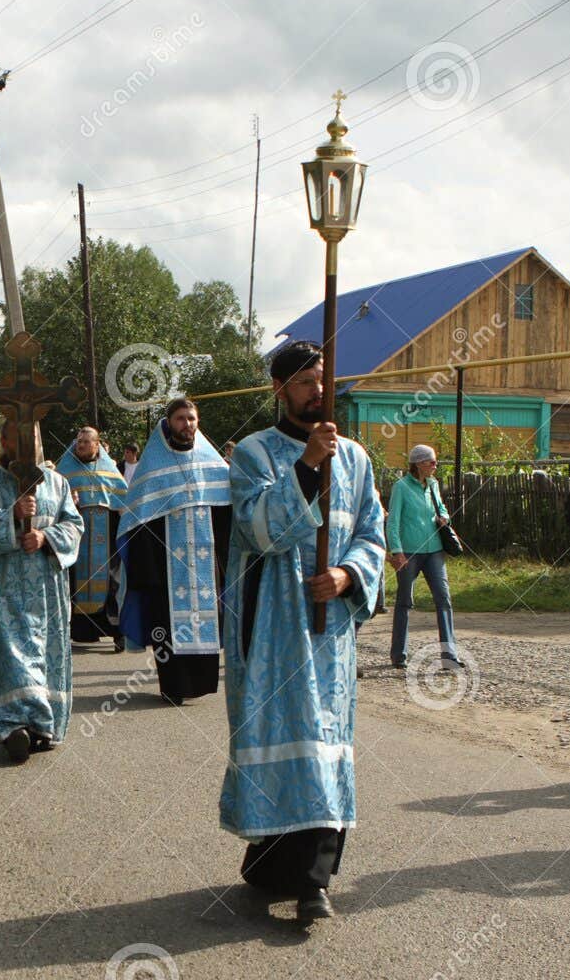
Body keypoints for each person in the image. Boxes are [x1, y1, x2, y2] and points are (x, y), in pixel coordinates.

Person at [221, 339, 386, 922]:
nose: (317, 390)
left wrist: (346, 573)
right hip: (272, 630)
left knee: (321, 743)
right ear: (279, 389)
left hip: (328, 630)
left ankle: (315, 881)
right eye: (304, 381)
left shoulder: (359, 458)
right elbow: (261, 530)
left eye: (323, 379)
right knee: (281, 739)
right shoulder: (254, 455)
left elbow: (372, 532)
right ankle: (271, 861)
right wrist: (308, 465)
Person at [0, 417, 85, 763]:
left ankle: (42, 726)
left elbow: (75, 525)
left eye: (31, 434)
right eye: (18, 434)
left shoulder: (57, 483)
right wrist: (11, 516)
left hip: (46, 588)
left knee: (44, 650)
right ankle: (13, 726)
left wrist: (47, 537)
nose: (26, 442)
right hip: (3, 588)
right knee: (11, 653)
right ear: (6, 439)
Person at [119, 399, 231, 705]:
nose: (187, 424)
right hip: (164, 566)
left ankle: (201, 682)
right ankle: (174, 686)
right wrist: (147, 571)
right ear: (169, 423)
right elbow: (138, 520)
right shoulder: (153, 465)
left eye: (192, 418)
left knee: (206, 620)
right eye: (181, 418)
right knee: (166, 626)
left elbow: (225, 514)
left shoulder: (212, 463)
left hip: (206, 564)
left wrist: (224, 559)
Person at [386, 443, 460, 670]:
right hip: (409, 551)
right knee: (405, 602)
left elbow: (442, 508)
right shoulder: (401, 487)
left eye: (435, 461)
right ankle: (399, 655)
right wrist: (396, 551)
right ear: (418, 463)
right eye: (431, 462)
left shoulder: (433, 484)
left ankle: (450, 656)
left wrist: (444, 517)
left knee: (443, 599)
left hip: (435, 550)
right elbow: (393, 521)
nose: (435, 466)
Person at [56, 426, 127, 648]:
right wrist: (69, 501)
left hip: (107, 536)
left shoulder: (109, 469)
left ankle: (117, 632)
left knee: (112, 583)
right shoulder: (64, 469)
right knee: (75, 582)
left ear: (97, 444)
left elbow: (123, 502)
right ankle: (82, 630)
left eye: (86, 442)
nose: (81, 445)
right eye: (79, 441)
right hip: (76, 535)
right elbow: (53, 502)